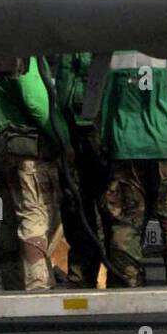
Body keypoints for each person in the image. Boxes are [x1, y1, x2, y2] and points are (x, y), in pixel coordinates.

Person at [98, 50, 167, 288]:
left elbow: (98, 101)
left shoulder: (112, 52)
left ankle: (127, 285)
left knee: (125, 223)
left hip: (124, 147)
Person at [0, 57, 68, 291]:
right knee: (35, 211)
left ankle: (14, 281)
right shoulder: (23, 47)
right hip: (25, 142)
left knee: (11, 213)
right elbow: (35, 100)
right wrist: (64, 140)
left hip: (0, 142)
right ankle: (37, 282)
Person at [52, 52, 107, 287]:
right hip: (86, 127)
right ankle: (91, 274)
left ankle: (85, 274)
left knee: (83, 205)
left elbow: (63, 90)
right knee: (83, 205)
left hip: (87, 127)